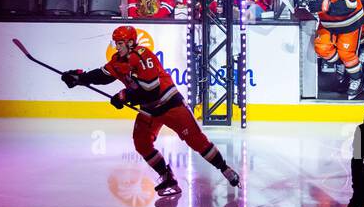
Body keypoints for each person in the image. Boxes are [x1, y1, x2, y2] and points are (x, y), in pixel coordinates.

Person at [61, 25, 239, 196]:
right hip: (150, 110)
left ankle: (224, 168)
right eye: (116, 43)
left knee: (196, 141)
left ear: (130, 43)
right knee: (141, 143)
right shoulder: (118, 60)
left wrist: (125, 95)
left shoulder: (143, 55)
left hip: (170, 105)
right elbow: (102, 76)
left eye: (120, 43)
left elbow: (151, 89)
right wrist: (80, 78)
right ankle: (168, 177)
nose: (117, 46)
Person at [299, 0, 364, 99]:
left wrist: (324, 6)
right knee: (322, 47)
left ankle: (358, 79)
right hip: (328, 22)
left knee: (346, 54)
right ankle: (343, 66)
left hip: (350, 21)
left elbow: (350, 4)